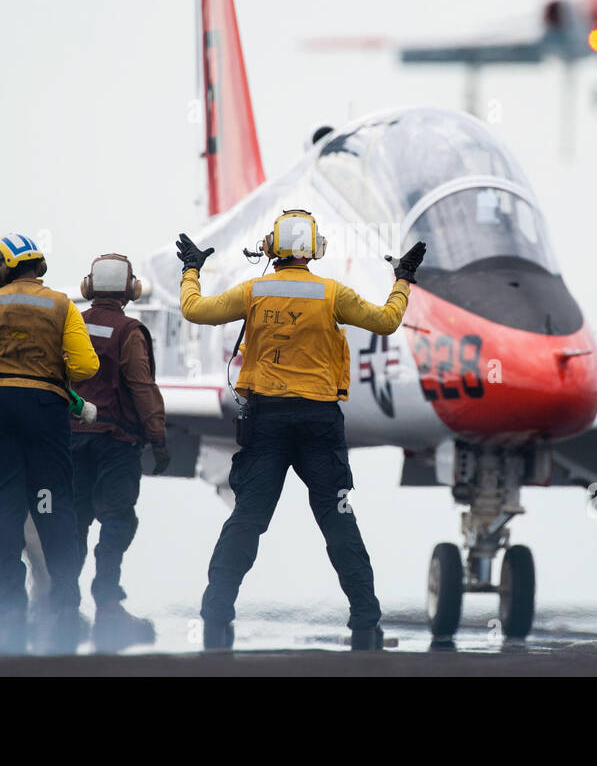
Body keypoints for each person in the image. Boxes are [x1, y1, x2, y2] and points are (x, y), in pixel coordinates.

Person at [175, 209, 425, 650]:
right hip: (319, 423)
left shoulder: (254, 291)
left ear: (272, 249)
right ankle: (366, 624)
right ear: (314, 250)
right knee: (338, 521)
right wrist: (403, 279)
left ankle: (215, 621)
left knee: (247, 520)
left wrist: (192, 270)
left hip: (266, 422)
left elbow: (195, 311)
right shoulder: (332, 294)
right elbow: (387, 321)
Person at [0, 233, 98, 653]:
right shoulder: (61, 305)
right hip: (46, 412)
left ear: (0, 268)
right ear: (38, 267)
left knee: (2, 503)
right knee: (53, 503)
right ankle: (65, 603)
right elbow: (85, 365)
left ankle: (7, 607)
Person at [70, 253, 168, 650]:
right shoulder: (129, 331)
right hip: (117, 442)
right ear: (131, 290)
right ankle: (108, 604)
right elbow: (141, 387)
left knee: (72, 522)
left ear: (88, 288)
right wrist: (158, 438)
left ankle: (62, 604)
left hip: (72, 438)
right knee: (117, 521)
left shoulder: (70, 323)